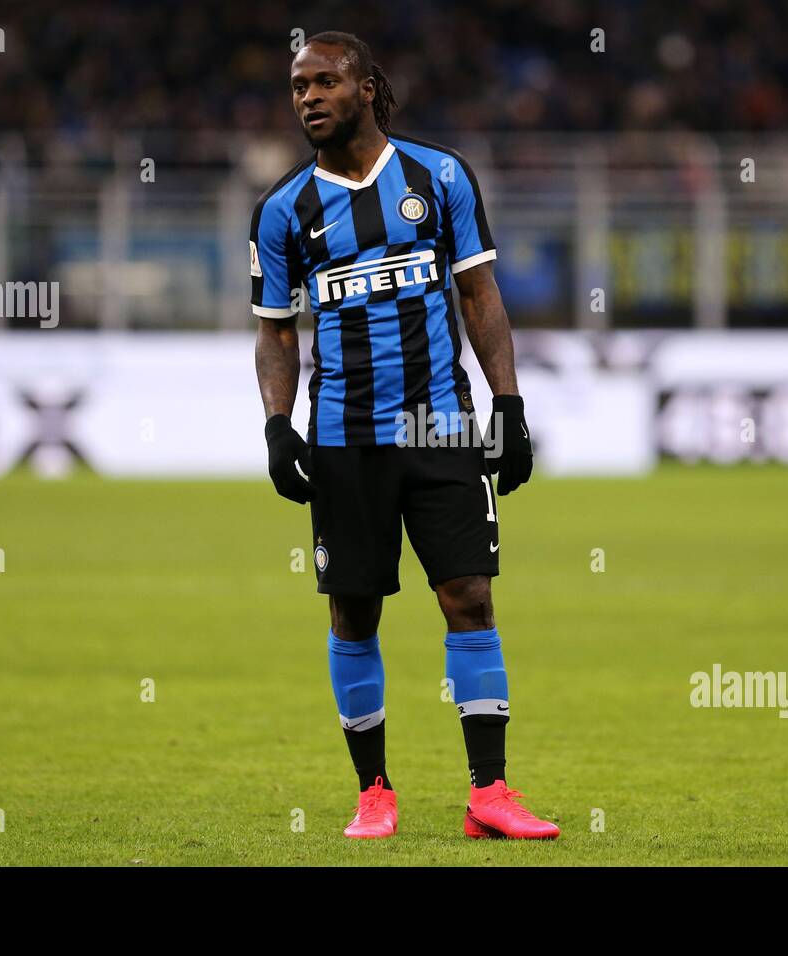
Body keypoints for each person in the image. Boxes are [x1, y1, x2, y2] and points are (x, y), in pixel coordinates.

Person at [252, 31, 558, 840]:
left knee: (470, 595)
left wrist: (510, 406)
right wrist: (280, 428)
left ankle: (489, 793)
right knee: (353, 612)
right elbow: (277, 333)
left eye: (324, 82)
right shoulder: (284, 210)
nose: (307, 97)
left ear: (366, 87)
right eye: (297, 87)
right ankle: (373, 792)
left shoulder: (440, 175)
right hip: (345, 436)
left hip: (440, 424)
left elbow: (480, 295)